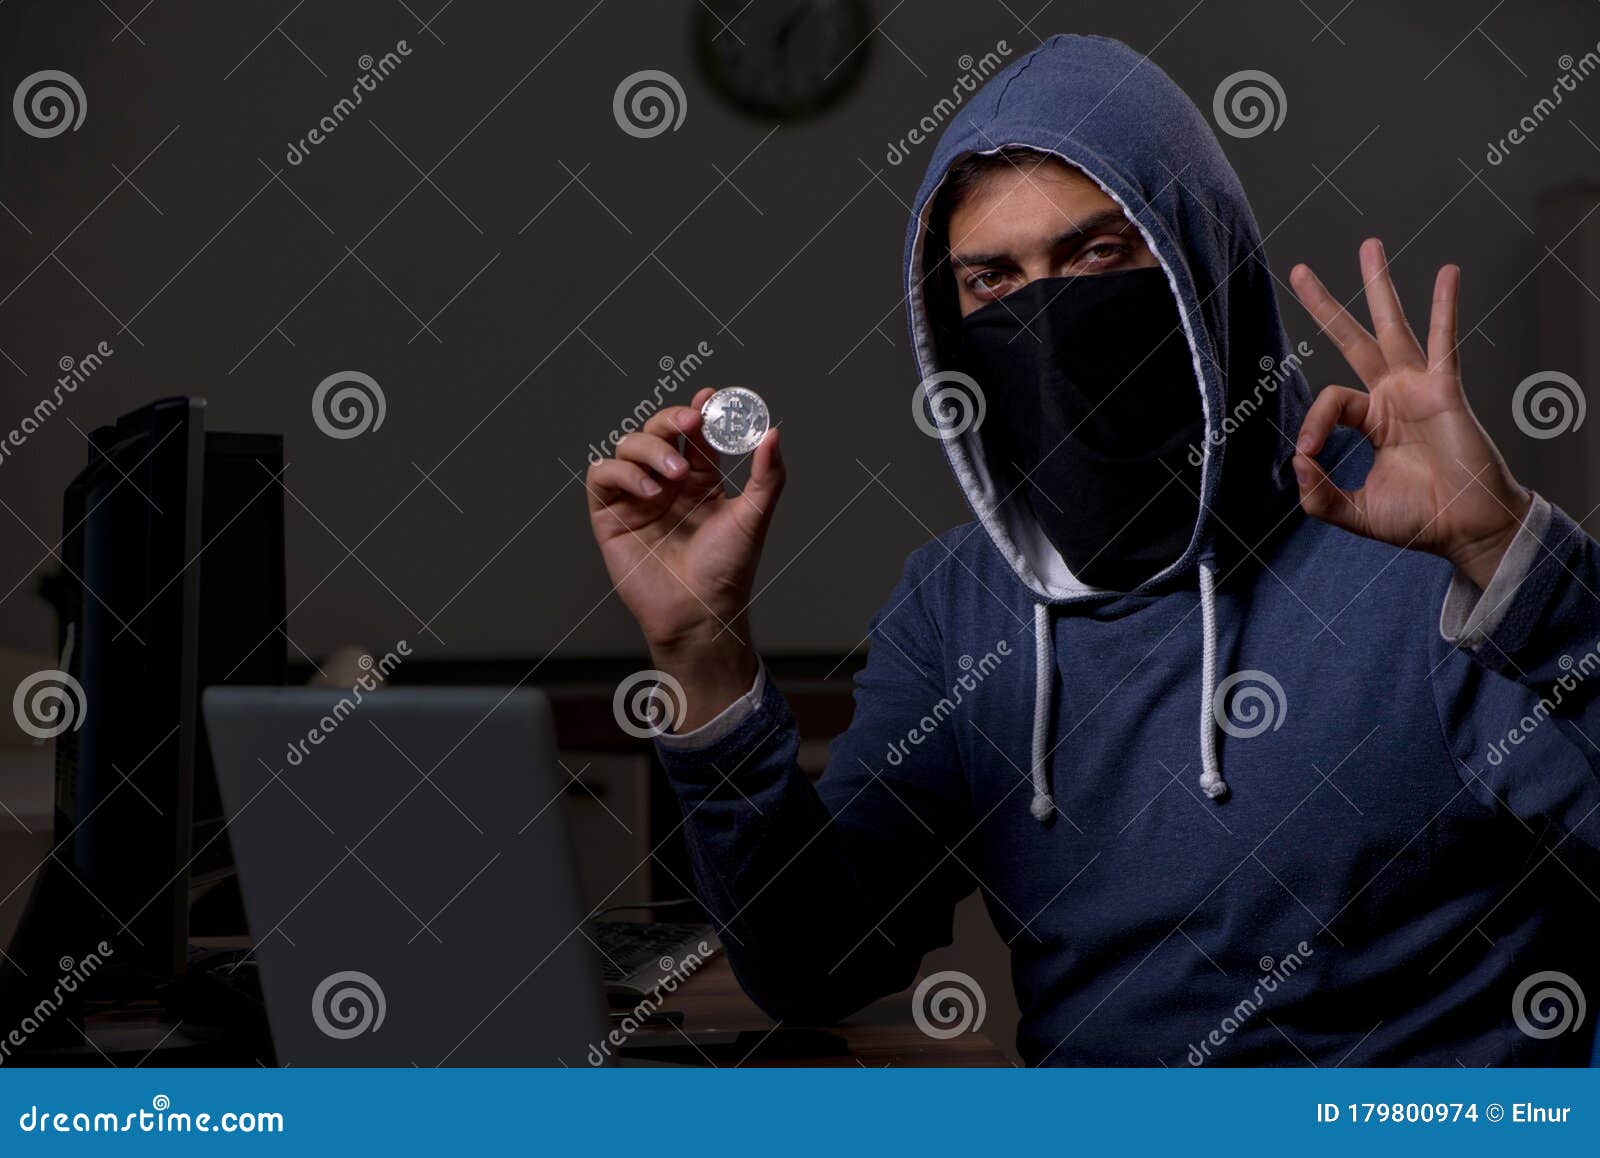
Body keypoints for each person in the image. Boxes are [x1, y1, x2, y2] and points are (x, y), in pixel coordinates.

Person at [583, 35, 1600, 1065]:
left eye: (1099, 255)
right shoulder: (955, 609)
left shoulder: (1428, 557)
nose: (1050, 315)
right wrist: (701, 657)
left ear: (1202, 264)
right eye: (993, 281)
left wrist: (1504, 556)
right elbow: (817, 965)